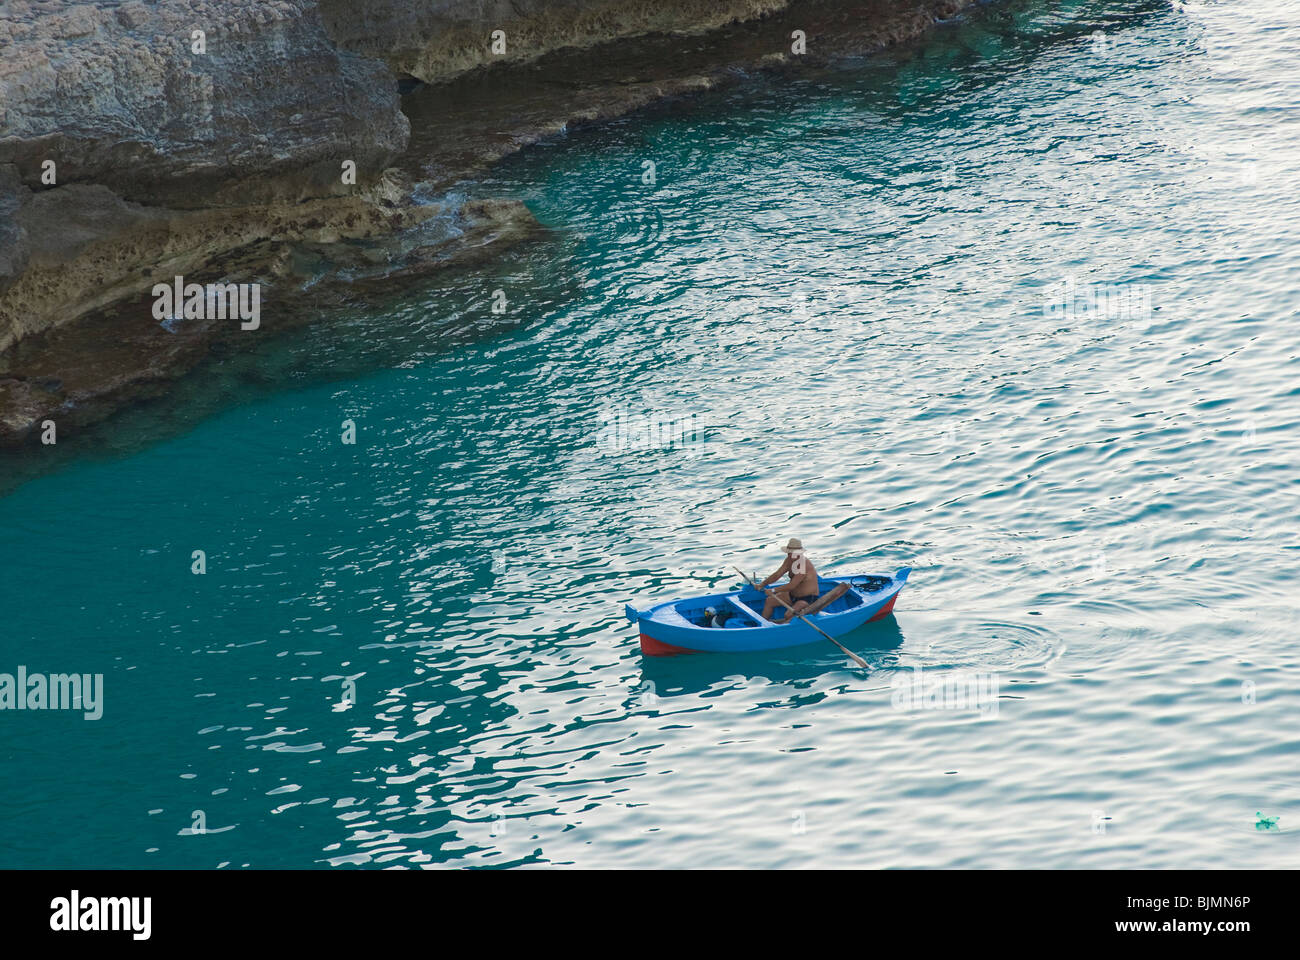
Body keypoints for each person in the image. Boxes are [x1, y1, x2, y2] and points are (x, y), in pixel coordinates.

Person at [758, 538, 820, 623]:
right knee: (769, 601)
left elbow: (792, 585)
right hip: (792, 595)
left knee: (788, 615)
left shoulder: (803, 564)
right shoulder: (789, 560)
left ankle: (783, 627)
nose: (790, 555)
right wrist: (762, 584)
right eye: (789, 553)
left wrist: (773, 590)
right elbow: (777, 575)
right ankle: (763, 624)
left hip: (808, 599)